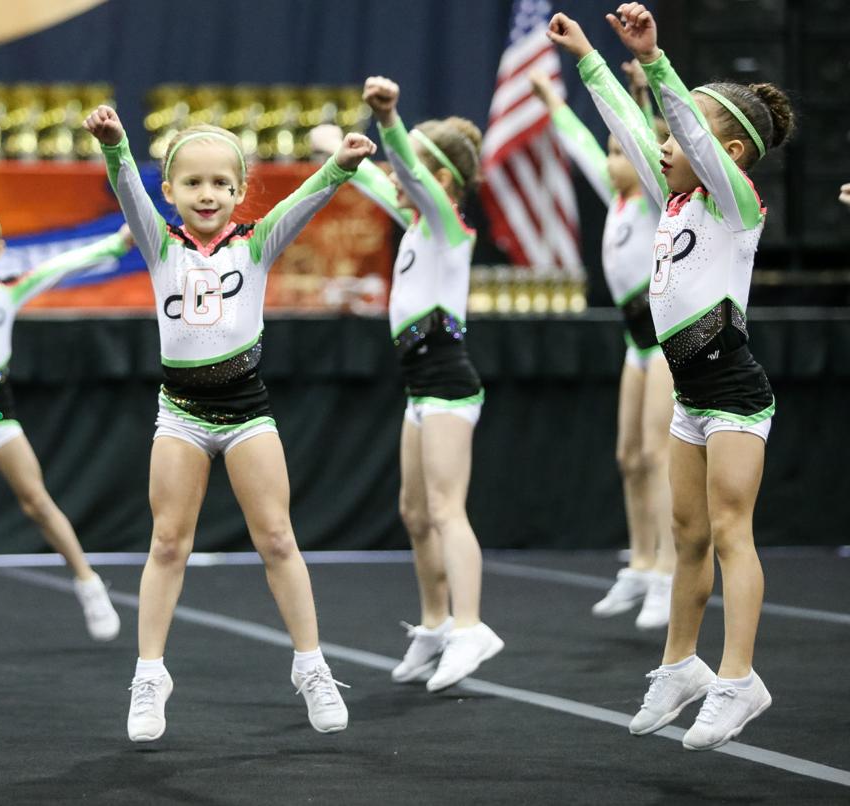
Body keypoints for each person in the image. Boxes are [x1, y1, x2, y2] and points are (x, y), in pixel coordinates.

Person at [83, 104, 375, 742]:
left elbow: (303, 202)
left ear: (241, 191)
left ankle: (311, 665)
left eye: (221, 183)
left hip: (247, 411)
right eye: (192, 182)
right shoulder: (160, 244)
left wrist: (340, 165)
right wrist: (115, 146)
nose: (207, 194)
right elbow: (128, 191)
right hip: (181, 413)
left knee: (277, 539)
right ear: (170, 191)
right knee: (168, 543)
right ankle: (150, 674)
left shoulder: (257, 243)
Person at [548, 3, 794, 750]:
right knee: (687, 536)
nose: (661, 144)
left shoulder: (736, 206)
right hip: (691, 395)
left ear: (729, 154)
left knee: (730, 533)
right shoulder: (676, 201)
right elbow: (630, 126)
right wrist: (590, 59)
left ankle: (739, 678)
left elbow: (682, 125)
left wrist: (657, 62)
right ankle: (681, 664)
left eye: (679, 137)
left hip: (735, 396)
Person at [356, 77, 504, 692]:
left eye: (409, 169)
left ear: (441, 179)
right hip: (419, 387)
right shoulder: (417, 222)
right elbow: (379, 181)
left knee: (445, 509)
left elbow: (408, 178)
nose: (397, 178)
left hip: (447, 382)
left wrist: (388, 121)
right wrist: (340, 150)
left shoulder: (447, 225)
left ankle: (471, 627)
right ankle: (436, 623)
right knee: (414, 513)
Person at [0, 205, 130, 641]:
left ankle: (88, 582)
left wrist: (116, 245)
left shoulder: (9, 291)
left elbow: (60, 266)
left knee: (37, 501)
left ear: (0, 250)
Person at [529, 64, 676, 630]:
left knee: (658, 456)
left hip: (664, 340)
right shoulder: (617, 201)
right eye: (611, 153)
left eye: (622, 153)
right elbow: (580, 145)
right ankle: (639, 563)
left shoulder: (655, 202)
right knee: (629, 456)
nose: (612, 161)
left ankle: (667, 571)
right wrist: (552, 103)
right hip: (635, 342)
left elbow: (641, 139)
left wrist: (642, 94)